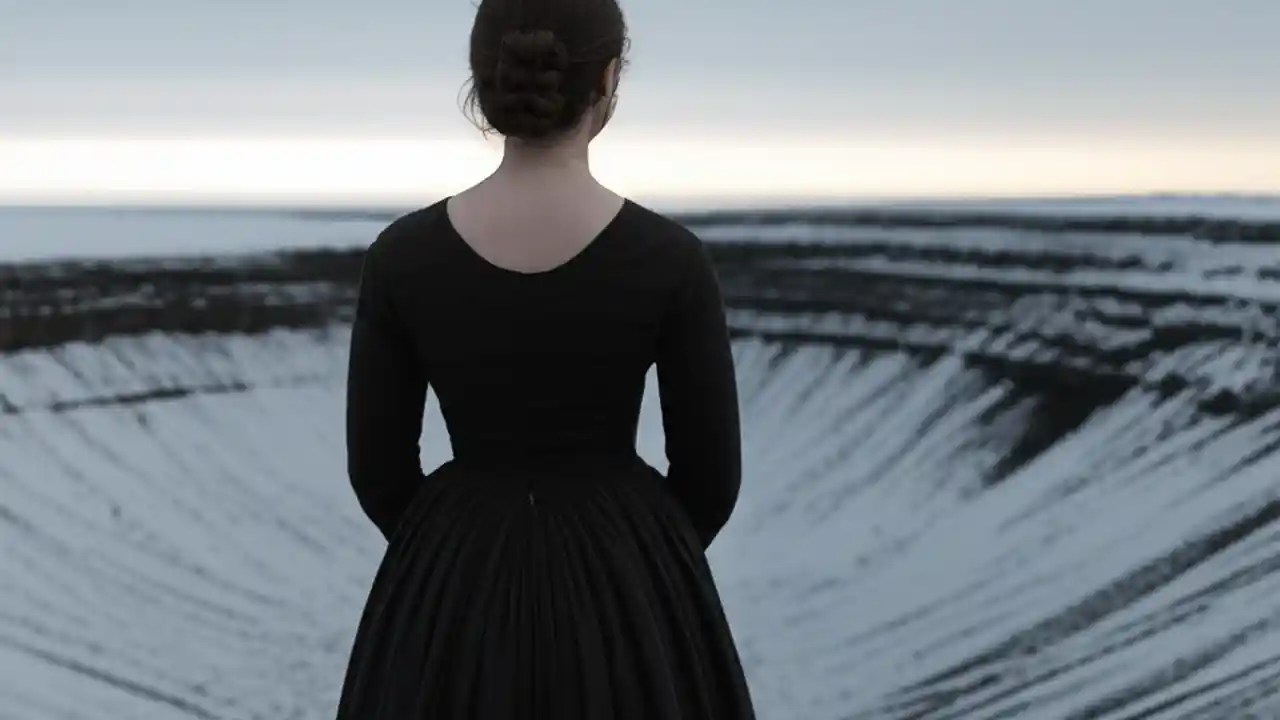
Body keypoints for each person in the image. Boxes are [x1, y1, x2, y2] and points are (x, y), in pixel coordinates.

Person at [334, 0, 757, 716]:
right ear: (608, 80)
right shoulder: (672, 259)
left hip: (450, 585)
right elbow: (711, 481)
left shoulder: (401, 257)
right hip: (629, 585)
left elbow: (377, 471)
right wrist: (636, 562)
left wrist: (453, 552)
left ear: (482, 77)